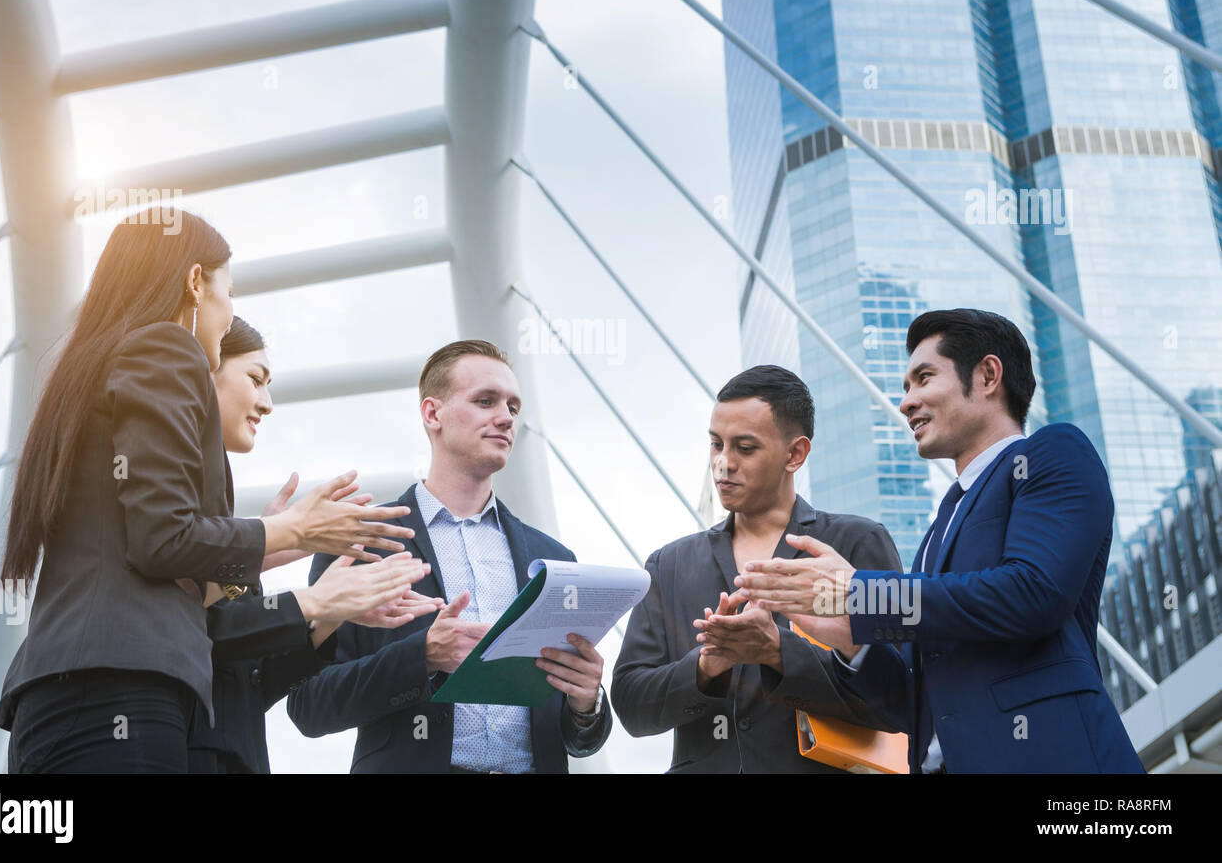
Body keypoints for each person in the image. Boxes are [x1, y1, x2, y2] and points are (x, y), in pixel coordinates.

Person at [0, 209, 419, 773]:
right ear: (195, 281)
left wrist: (271, 551)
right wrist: (293, 533)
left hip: (71, 703)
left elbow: (159, 562)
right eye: (229, 292)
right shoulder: (166, 349)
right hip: (116, 697)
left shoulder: (95, 367)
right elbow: (162, 538)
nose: (228, 316)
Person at [735, 309, 1144, 773]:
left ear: (988, 375)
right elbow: (911, 705)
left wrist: (859, 594)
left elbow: (1033, 593)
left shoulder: (1052, 454)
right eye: (906, 387)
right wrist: (854, 641)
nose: (907, 401)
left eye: (923, 378)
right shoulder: (940, 527)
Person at [287, 340, 613, 772]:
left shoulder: (554, 559)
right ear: (432, 413)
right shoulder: (361, 544)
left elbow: (577, 738)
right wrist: (420, 656)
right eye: (485, 401)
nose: (506, 418)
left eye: (514, 407)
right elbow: (310, 705)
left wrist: (587, 701)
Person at [611, 366, 902, 772]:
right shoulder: (668, 565)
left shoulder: (855, 544)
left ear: (795, 454)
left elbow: (899, 698)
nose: (723, 463)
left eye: (744, 448)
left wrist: (779, 652)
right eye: (716, 445)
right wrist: (706, 665)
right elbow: (630, 707)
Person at [189, 316, 443, 773]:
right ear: (205, 369)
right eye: (255, 379)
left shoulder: (216, 510)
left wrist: (327, 613)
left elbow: (249, 680)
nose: (267, 404)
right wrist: (283, 558)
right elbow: (189, 624)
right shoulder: (174, 496)